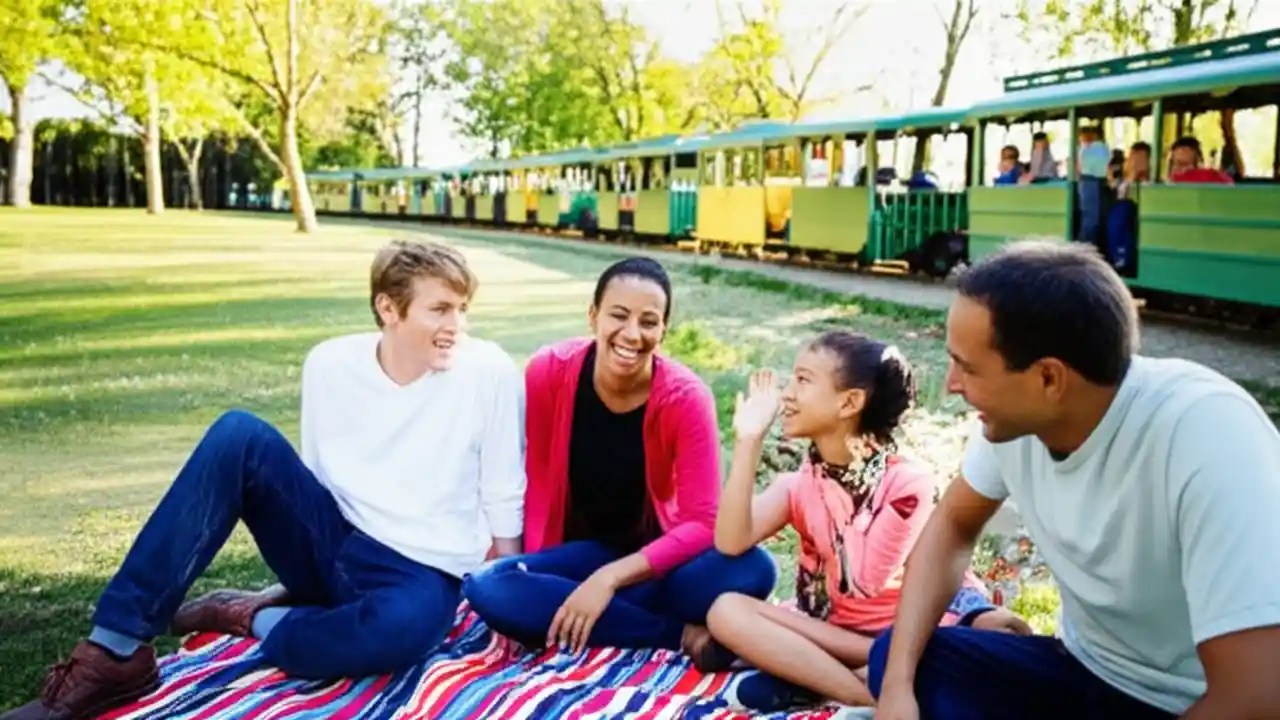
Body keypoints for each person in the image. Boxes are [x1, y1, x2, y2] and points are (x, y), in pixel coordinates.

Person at [3, 240, 527, 720]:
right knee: (239, 435)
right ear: (389, 309)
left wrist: (505, 583)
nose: (456, 325)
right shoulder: (330, 363)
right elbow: (319, 479)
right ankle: (114, 651)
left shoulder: (489, 372)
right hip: (336, 544)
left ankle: (250, 619)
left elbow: (503, 483)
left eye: (463, 309)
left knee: (403, 633)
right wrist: (296, 575)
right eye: (440, 309)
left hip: (419, 571)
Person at [868, 240, 1280, 719]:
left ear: (1049, 379)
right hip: (1087, 672)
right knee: (906, 662)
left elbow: (1257, 695)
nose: (951, 385)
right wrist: (897, 691)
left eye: (969, 368)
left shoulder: (1208, 434)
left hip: (1191, 702)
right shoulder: (1013, 426)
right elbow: (952, 526)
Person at [463, 257, 777, 664]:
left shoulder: (685, 397)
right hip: (576, 557)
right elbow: (535, 481)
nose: (632, 333)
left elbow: (703, 521)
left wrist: (608, 581)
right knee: (490, 586)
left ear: (664, 328)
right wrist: (537, 570)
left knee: (753, 570)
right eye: (618, 315)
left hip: (656, 564)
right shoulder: (550, 372)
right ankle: (676, 634)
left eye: (649, 321)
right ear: (593, 316)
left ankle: (603, 614)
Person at [702, 332, 1029, 712]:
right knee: (725, 611)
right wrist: (748, 441)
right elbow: (730, 540)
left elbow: (863, 579)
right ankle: (866, 691)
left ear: (850, 402)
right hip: (840, 630)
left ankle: (822, 677)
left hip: (916, 628)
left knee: (1005, 632)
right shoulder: (801, 483)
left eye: (803, 380)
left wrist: (845, 481)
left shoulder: (908, 485)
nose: (786, 395)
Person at [1168, 136, 1234, 184]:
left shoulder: (1214, 180)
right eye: (1172, 164)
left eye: (1182, 164)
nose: (1175, 169)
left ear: (1199, 164)